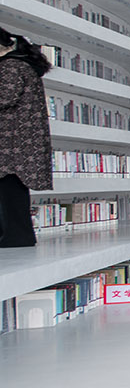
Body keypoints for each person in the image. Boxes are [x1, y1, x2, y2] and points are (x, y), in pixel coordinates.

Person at [0, 28, 52, 248]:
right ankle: (14, 237)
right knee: (12, 195)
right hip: (20, 145)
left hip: (11, 145)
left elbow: (4, 97)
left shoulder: (10, 67)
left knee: (8, 195)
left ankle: (13, 239)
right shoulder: (23, 66)